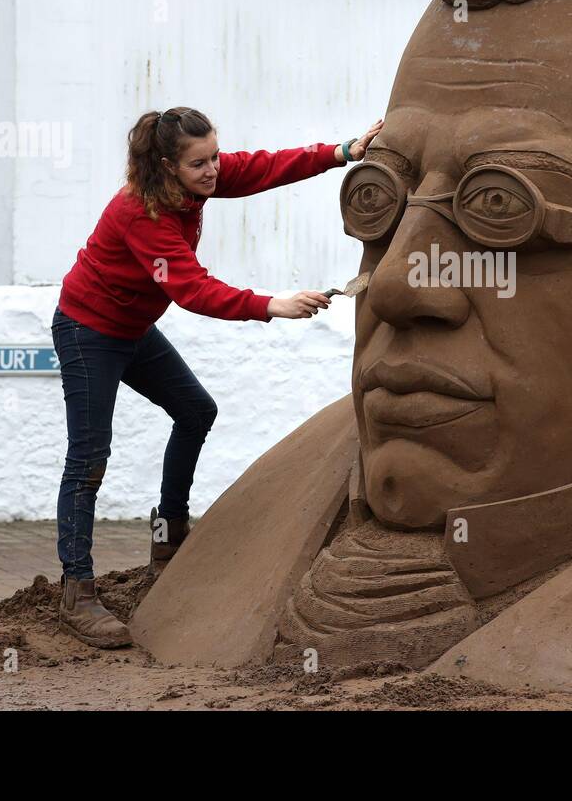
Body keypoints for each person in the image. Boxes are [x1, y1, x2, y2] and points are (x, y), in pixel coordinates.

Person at [51, 106, 382, 648]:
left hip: (132, 329)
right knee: (88, 459)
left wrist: (342, 153)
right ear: (166, 166)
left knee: (195, 410)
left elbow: (261, 168)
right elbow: (190, 289)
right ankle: (77, 591)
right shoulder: (141, 213)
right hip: (89, 331)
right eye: (199, 164)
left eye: (213, 157)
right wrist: (270, 304)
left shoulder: (195, 183)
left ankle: (167, 535)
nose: (213, 171)